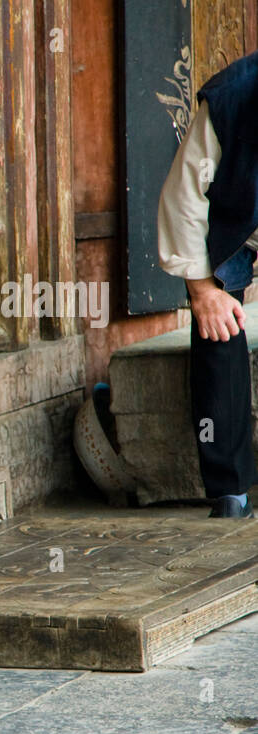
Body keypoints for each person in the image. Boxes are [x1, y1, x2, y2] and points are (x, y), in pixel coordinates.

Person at [157, 51, 258, 518]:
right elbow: (184, 196)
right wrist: (202, 291)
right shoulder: (230, 98)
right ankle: (229, 491)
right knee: (220, 330)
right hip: (229, 218)